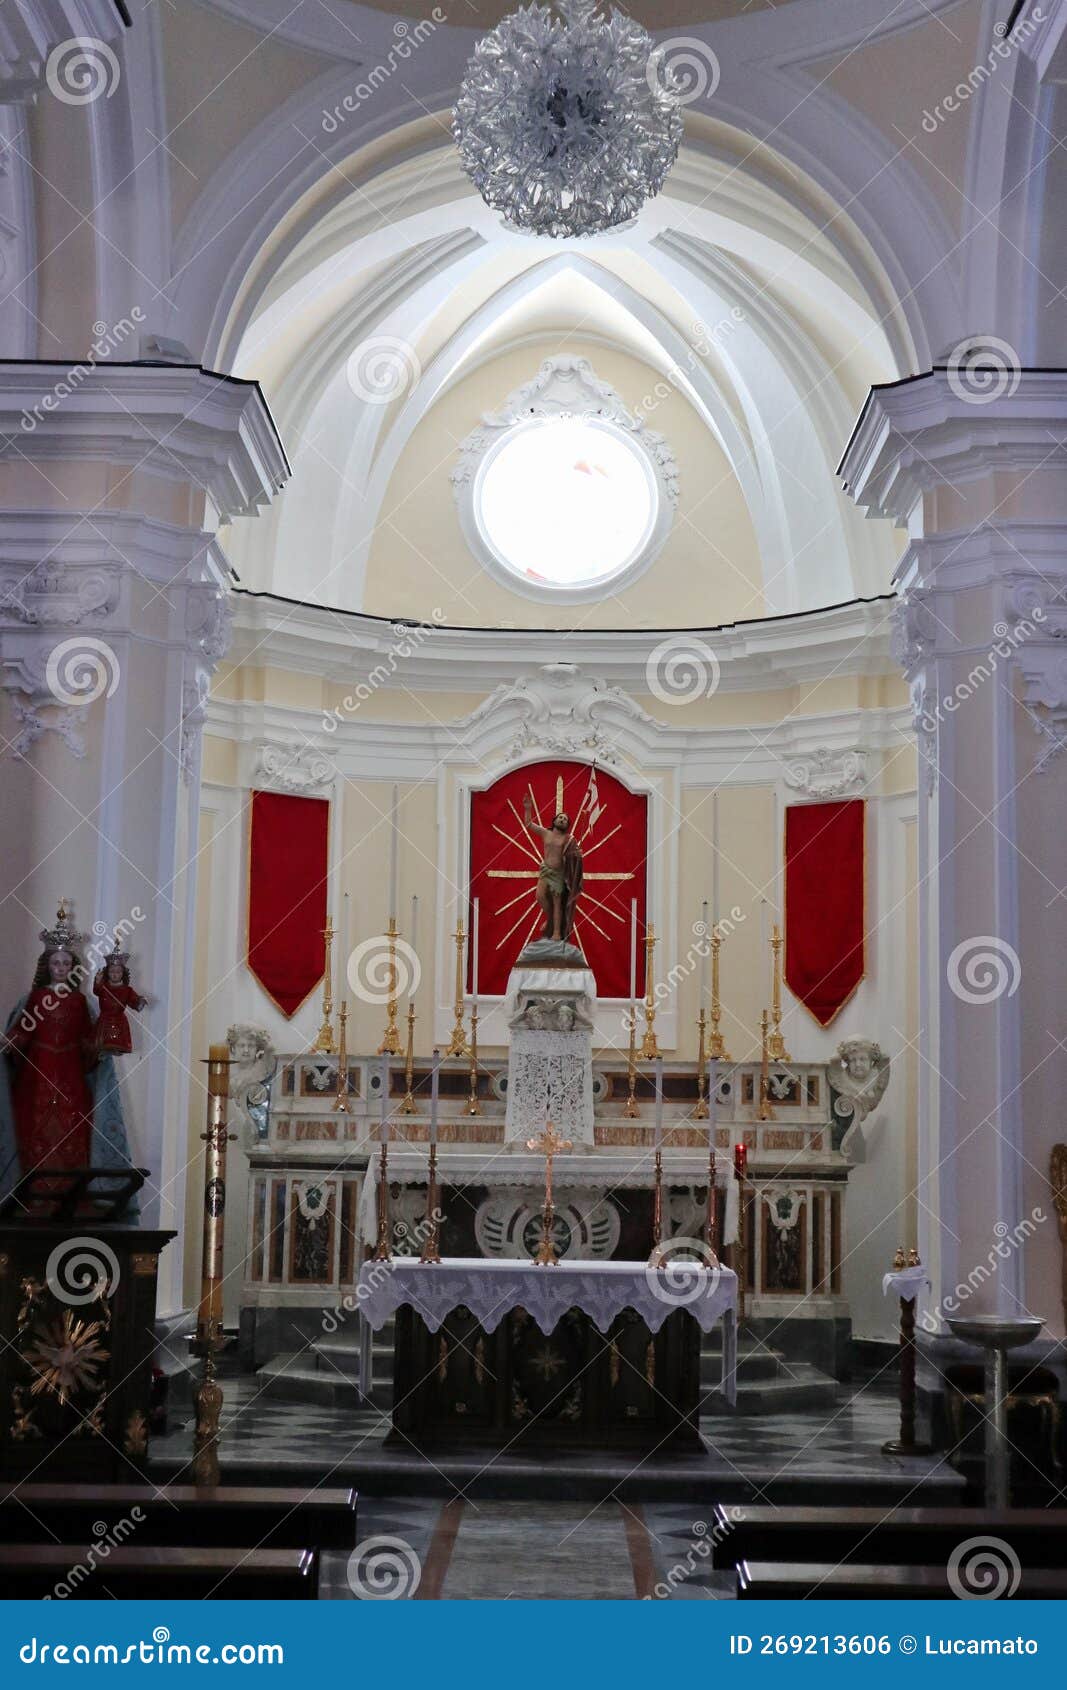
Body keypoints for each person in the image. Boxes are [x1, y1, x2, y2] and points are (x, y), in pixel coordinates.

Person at [0, 904, 137, 1205]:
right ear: (47, 965)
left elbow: (87, 1040)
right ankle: (31, 1196)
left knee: (72, 1128)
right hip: (37, 1075)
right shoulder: (35, 997)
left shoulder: (78, 1002)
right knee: (33, 1130)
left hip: (71, 1079)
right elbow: (24, 1031)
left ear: (71, 966)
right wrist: (10, 1042)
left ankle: (70, 1196)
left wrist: (97, 1048)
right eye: (56, 963)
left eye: (65, 963)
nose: (60, 968)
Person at [522, 793, 584, 943]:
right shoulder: (546, 833)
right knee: (540, 896)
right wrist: (528, 809)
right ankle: (550, 919)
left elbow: (575, 855)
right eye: (560, 818)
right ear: (555, 820)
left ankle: (556, 932)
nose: (562, 820)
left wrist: (577, 855)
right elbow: (529, 824)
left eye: (565, 820)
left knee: (557, 903)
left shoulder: (568, 839)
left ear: (567, 825)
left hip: (559, 874)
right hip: (545, 871)